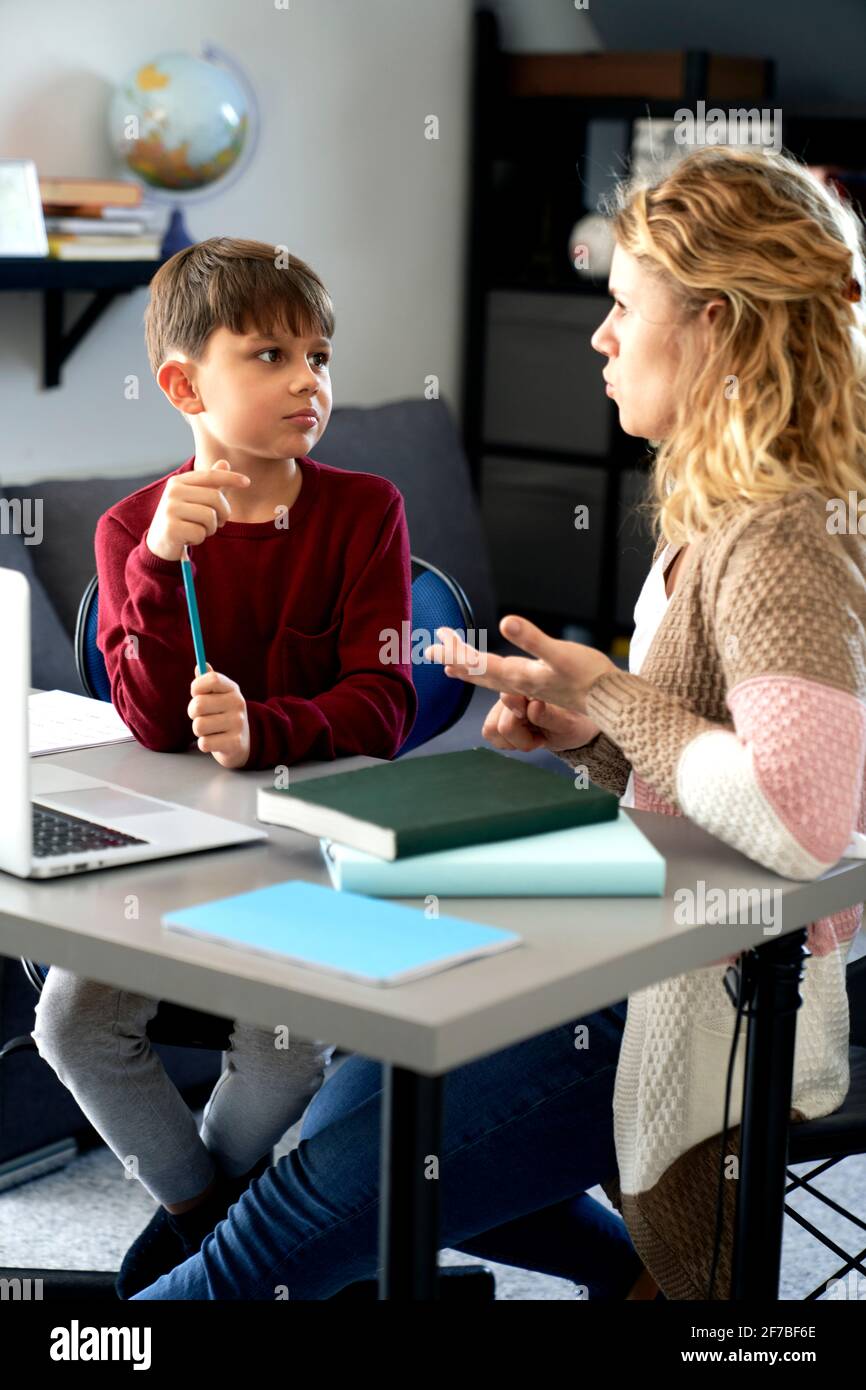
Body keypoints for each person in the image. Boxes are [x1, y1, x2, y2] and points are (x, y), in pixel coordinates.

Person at [131, 144, 866, 1302]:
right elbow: (695, 764)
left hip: (679, 990)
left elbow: (798, 813)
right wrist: (583, 731)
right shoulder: (721, 515)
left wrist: (608, 695)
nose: (600, 335)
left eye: (623, 305)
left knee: (279, 1231)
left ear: (715, 325)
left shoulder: (780, 538)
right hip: (614, 939)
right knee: (330, 1150)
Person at [32, 238, 418, 1298]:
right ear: (183, 384)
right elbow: (152, 720)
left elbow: (383, 707)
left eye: (320, 355)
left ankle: (218, 1232)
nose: (309, 380)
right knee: (68, 1020)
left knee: (287, 1049)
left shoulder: (362, 511)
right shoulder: (131, 532)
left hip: (303, 838)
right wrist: (157, 568)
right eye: (270, 355)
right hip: (168, 845)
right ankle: (208, 1212)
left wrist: (269, 728)